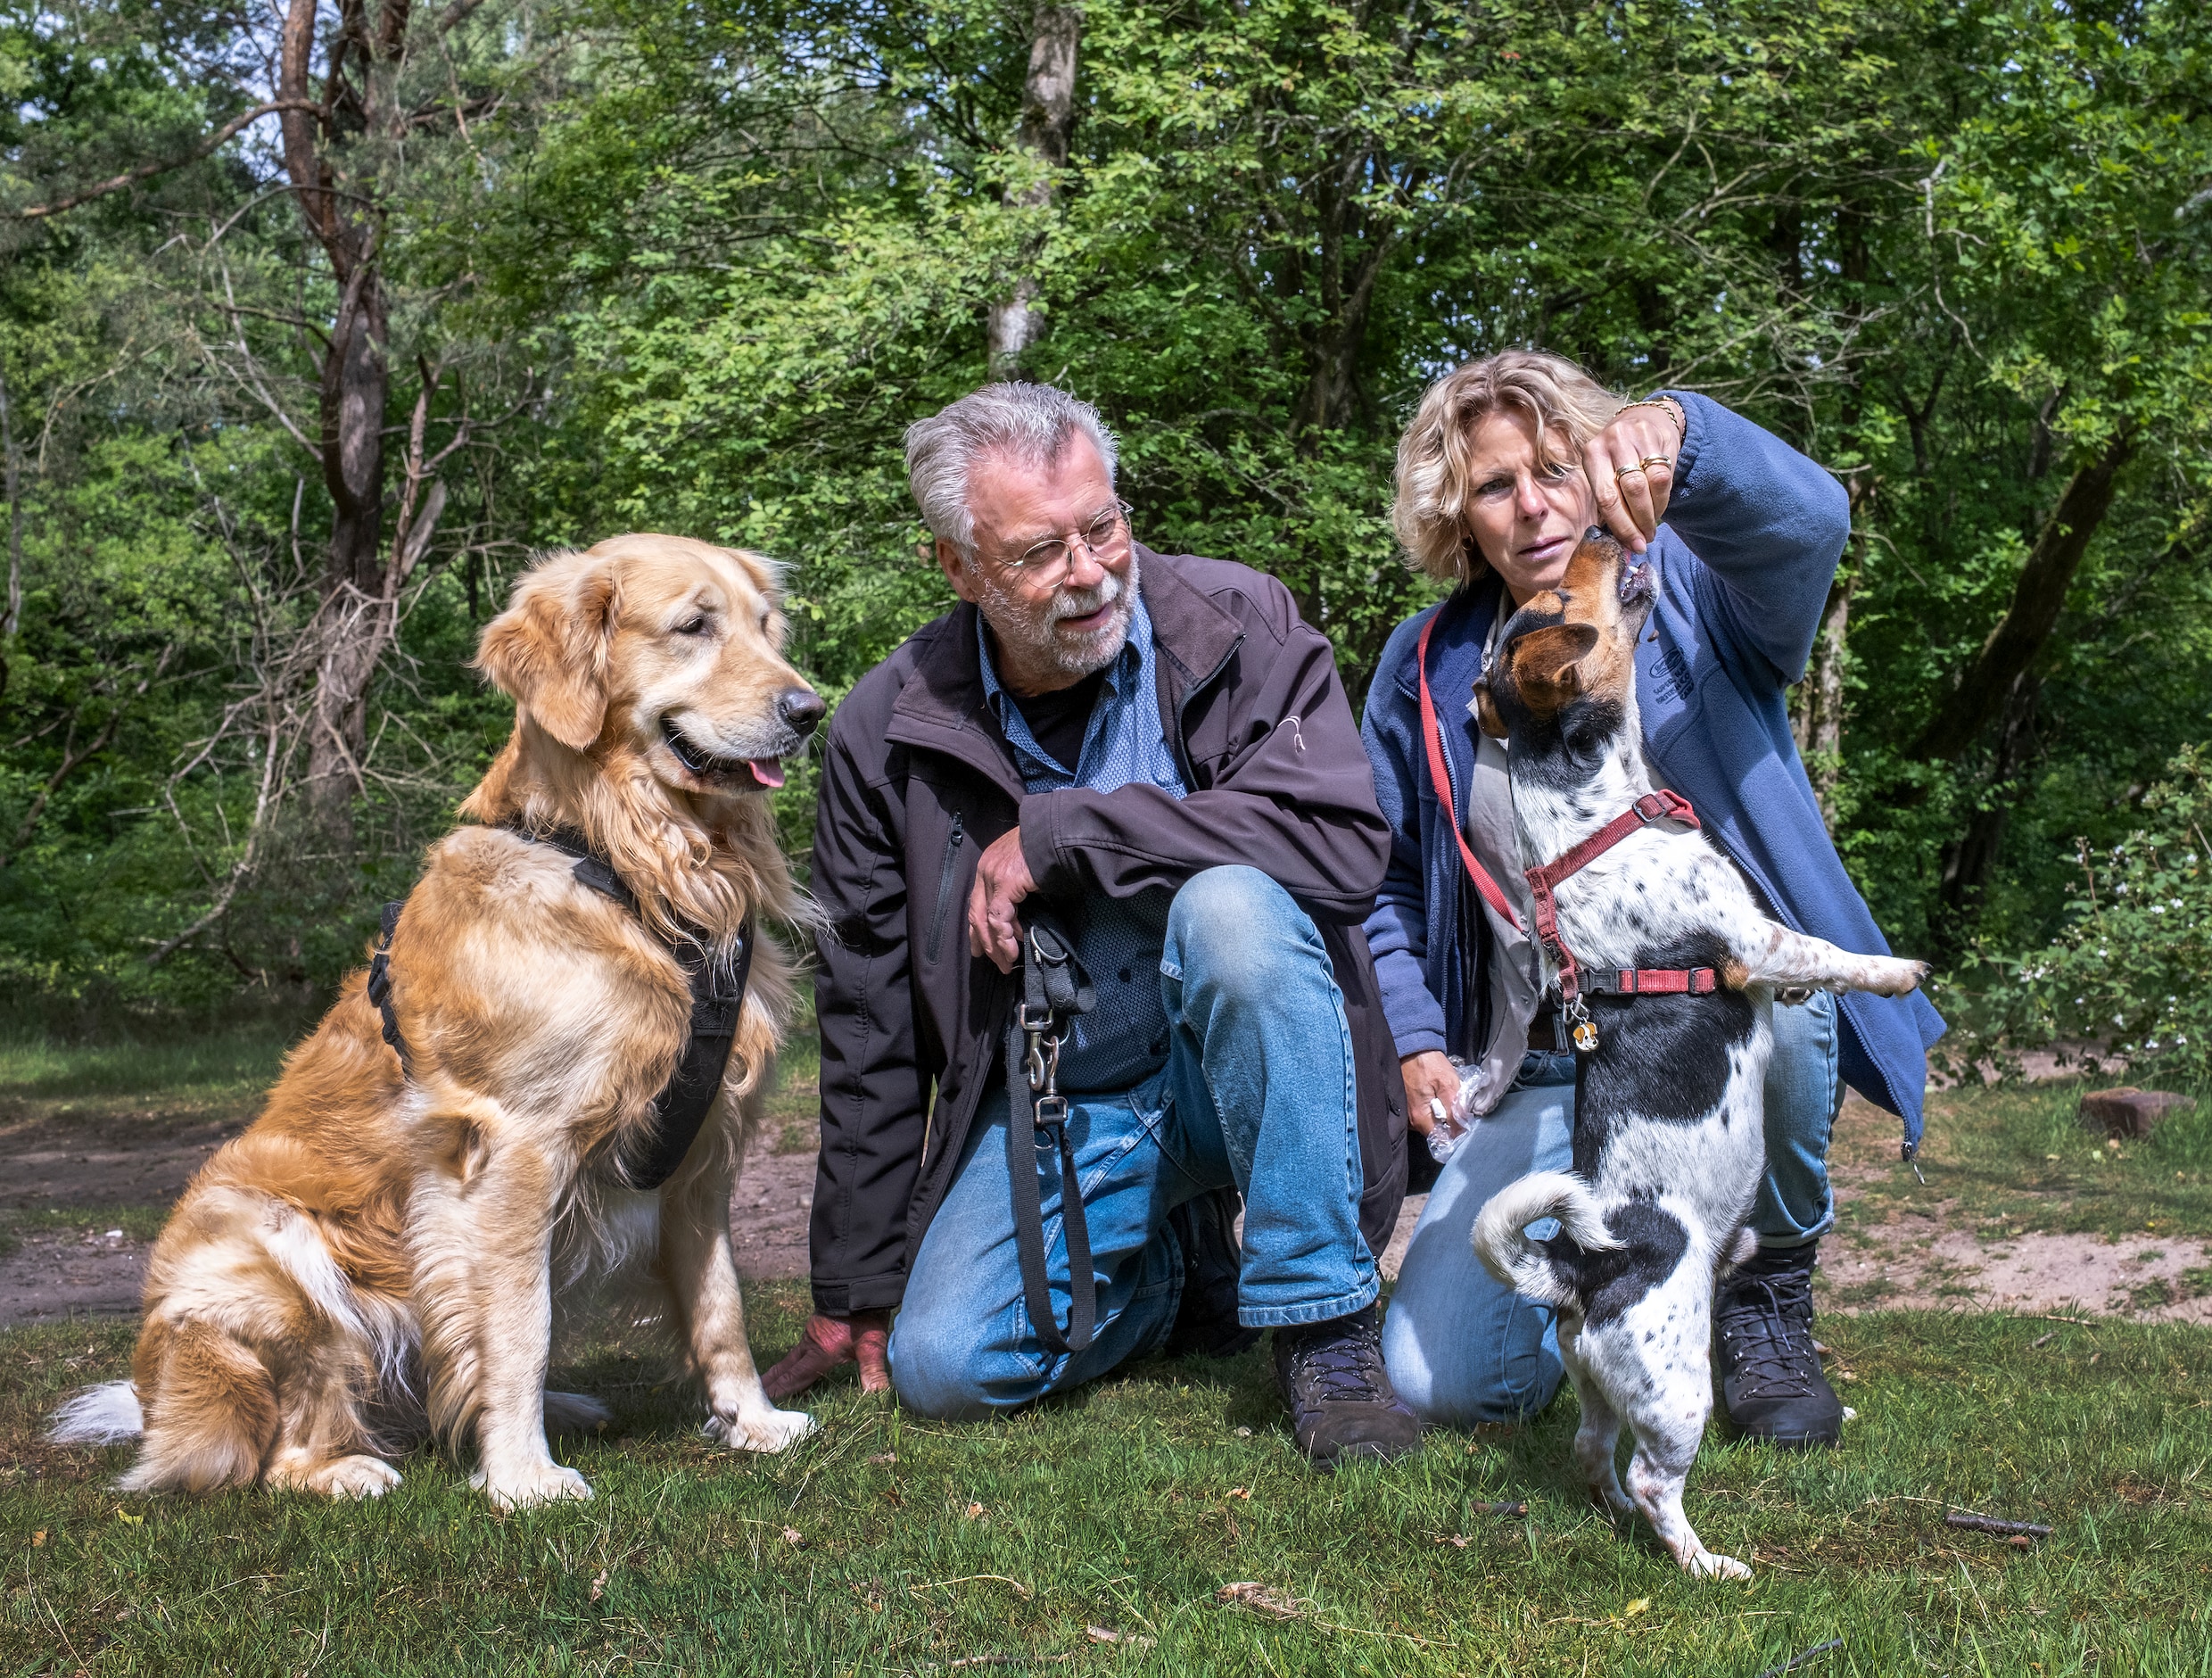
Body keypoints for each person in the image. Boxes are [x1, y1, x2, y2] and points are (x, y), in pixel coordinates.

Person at [763, 382, 1422, 1468]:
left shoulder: (1240, 621)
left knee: (1233, 910)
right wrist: (855, 1286)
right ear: (959, 569)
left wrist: (1069, 833)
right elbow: (871, 1022)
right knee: (945, 1368)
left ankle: (1322, 1327)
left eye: (1102, 527)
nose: (1089, 573)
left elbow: (1344, 845)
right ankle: (1180, 1273)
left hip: (1259, 1081)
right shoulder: (883, 731)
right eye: (1036, 553)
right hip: (1069, 1108)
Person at [1361, 351, 1944, 1447]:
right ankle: (1637, 1287)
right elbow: (1382, 880)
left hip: (1726, 1013)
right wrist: (1411, 1036)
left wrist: (1688, 434)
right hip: (1547, 1061)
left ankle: (1764, 1286)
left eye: (1551, 467)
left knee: (1792, 984)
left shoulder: (1688, 590)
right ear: (1459, 512)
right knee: (1444, 1386)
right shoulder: (1422, 667)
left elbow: (1812, 520)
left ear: (1596, 464)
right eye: (1494, 484)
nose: (1531, 504)